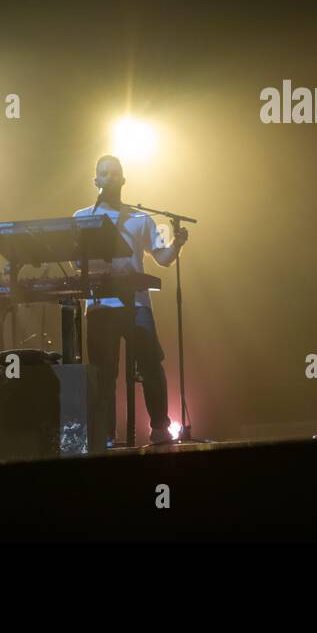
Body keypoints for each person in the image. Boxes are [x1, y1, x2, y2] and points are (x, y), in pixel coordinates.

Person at [74, 155, 187, 445]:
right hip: (100, 305)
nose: (110, 177)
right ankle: (106, 435)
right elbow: (75, 262)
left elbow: (162, 258)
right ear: (95, 180)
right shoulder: (82, 217)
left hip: (137, 303)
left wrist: (176, 244)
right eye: (104, 173)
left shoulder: (140, 218)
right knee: (103, 372)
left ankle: (160, 427)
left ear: (123, 179)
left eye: (115, 173)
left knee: (150, 364)